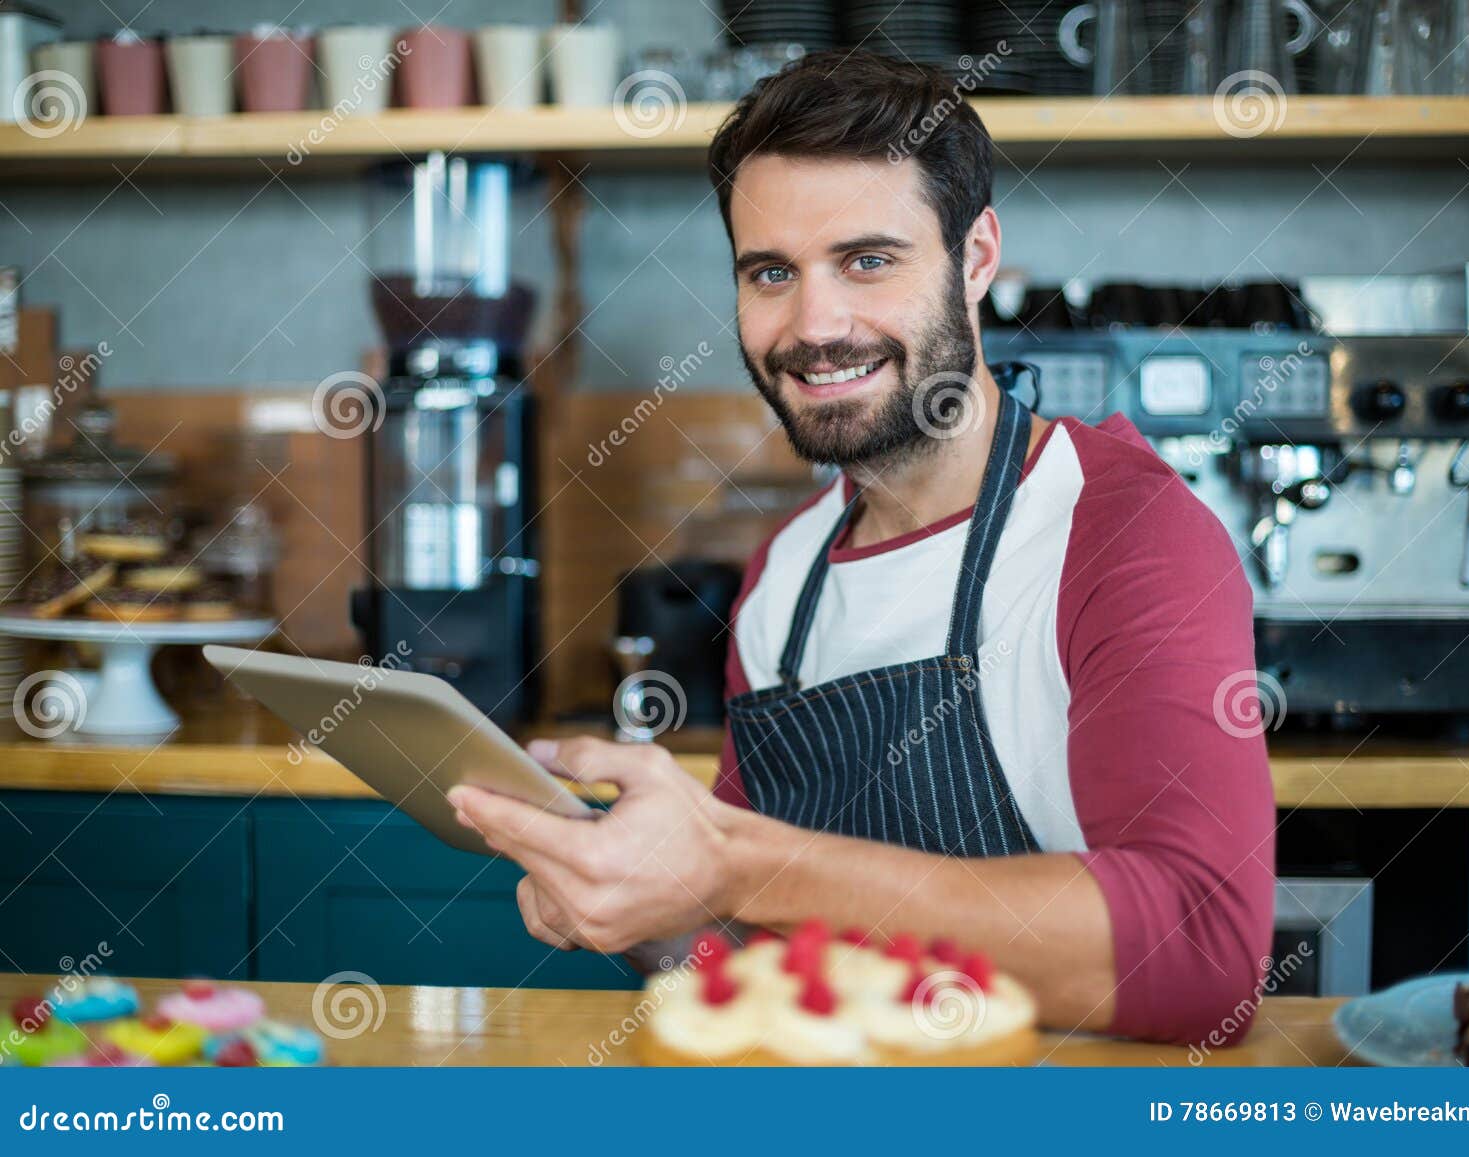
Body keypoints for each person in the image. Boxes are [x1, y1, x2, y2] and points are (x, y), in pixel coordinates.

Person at [449, 51, 1275, 1045]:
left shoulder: (1123, 533)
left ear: (974, 260)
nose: (816, 324)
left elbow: (1199, 955)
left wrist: (732, 860)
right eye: (770, 273)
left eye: (868, 260)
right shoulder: (785, 574)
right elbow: (757, 958)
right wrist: (641, 903)